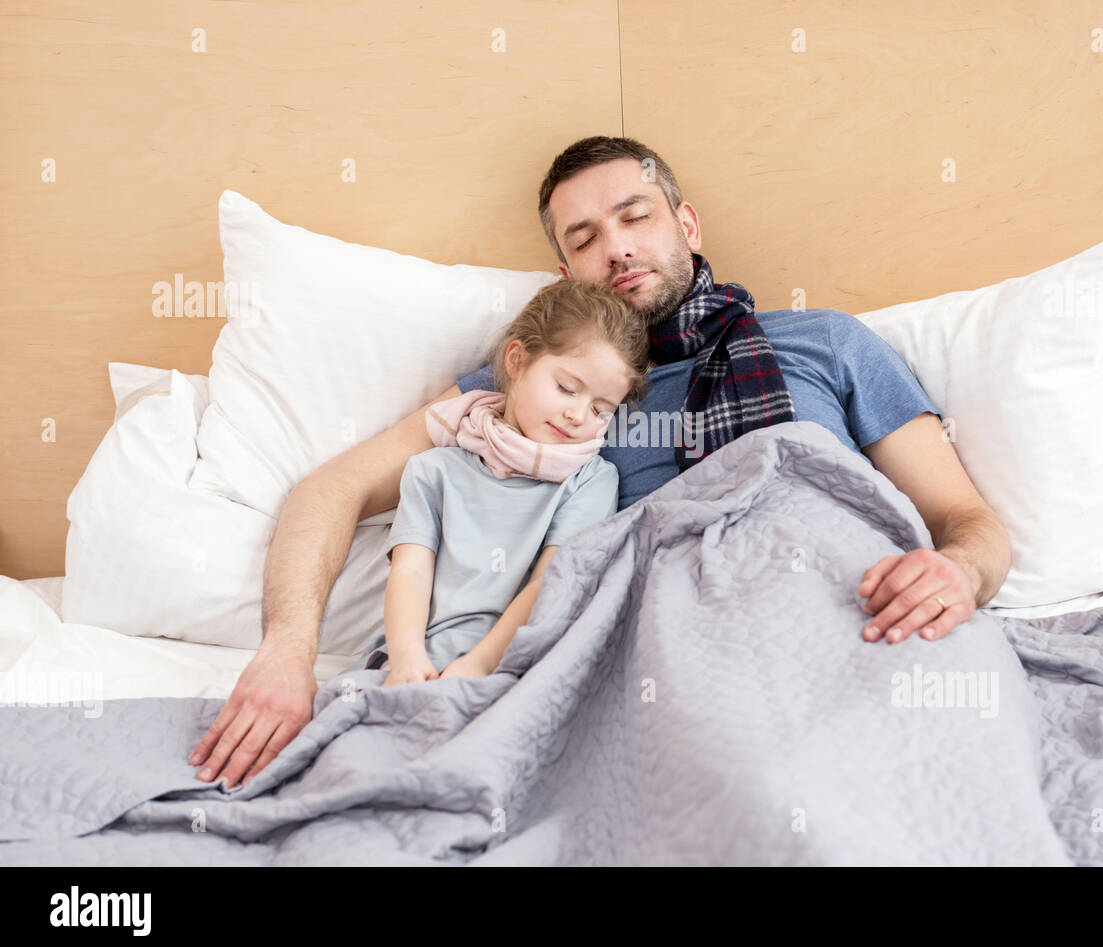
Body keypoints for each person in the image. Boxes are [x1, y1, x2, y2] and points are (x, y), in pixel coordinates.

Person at [190, 135, 1012, 788]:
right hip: (676, 654)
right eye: (585, 238)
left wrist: (959, 575)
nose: (616, 248)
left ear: (685, 226)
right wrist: (287, 651)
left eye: (635, 216)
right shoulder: (539, 387)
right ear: (566, 271)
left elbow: (966, 523)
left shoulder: (825, 341)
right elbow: (330, 491)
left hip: (859, 613)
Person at [359, 279, 649, 685]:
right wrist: (408, 659)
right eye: (567, 388)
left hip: (512, 665)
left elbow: (549, 582)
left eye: (601, 410)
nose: (578, 415)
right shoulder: (434, 471)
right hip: (418, 656)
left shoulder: (590, 481)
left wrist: (479, 664)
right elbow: (409, 572)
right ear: (516, 361)